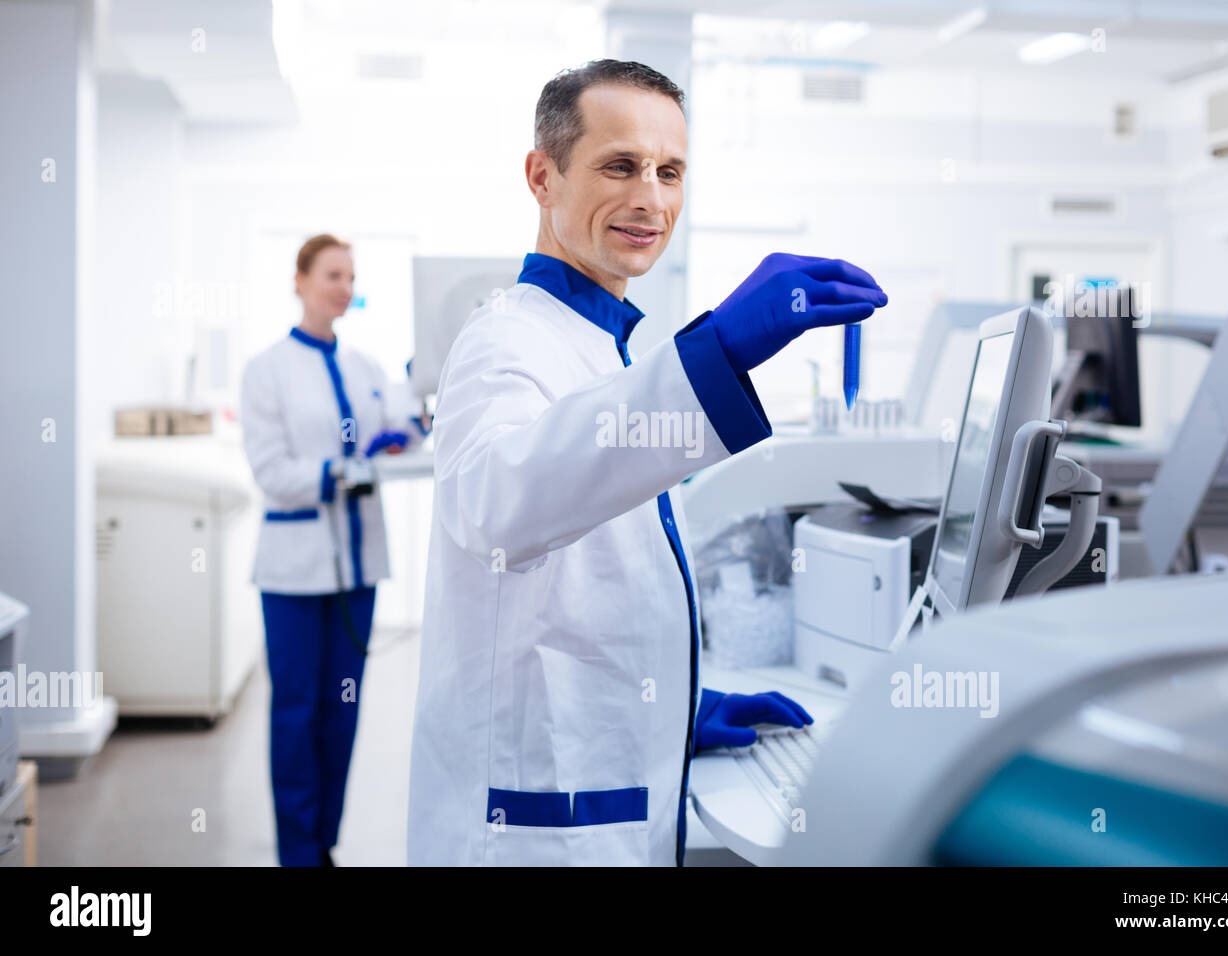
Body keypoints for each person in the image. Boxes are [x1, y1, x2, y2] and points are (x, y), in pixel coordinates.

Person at [407, 60, 887, 866]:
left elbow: (591, 586)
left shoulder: (602, 345)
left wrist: (676, 709)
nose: (651, 199)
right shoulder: (505, 342)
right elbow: (502, 504)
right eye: (620, 166)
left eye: (670, 172)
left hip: (588, 772)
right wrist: (717, 352)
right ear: (542, 176)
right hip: (533, 823)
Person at [241, 234, 430, 866]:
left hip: (357, 570)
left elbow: (400, 425)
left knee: (341, 714)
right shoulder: (267, 370)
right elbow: (272, 472)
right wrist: (341, 471)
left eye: (350, 277)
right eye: (332, 275)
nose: (344, 287)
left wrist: (407, 428)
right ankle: (297, 853)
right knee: (296, 714)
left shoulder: (366, 370)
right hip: (294, 575)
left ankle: (324, 842)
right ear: (300, 281)